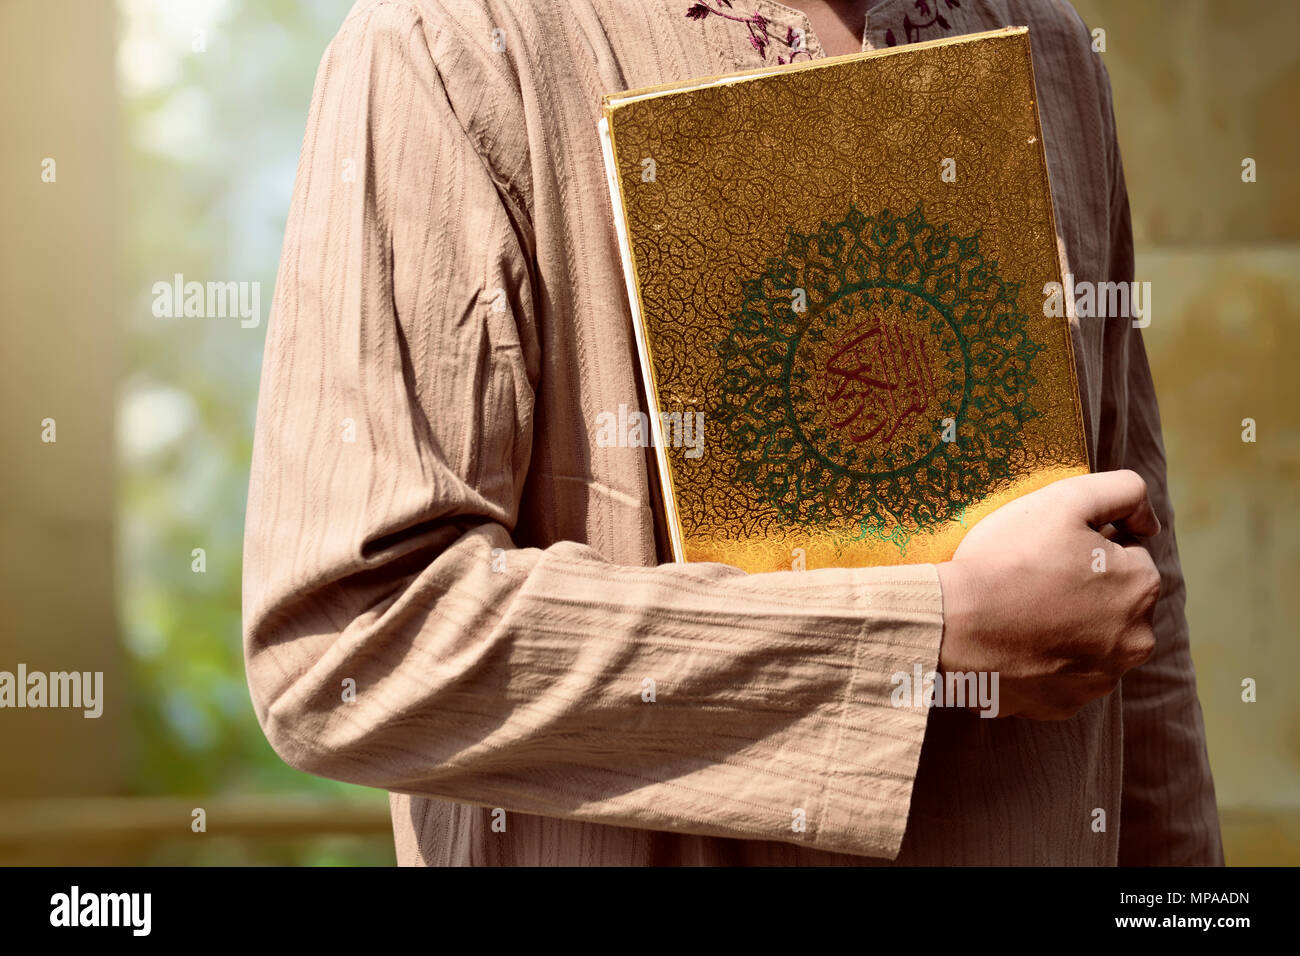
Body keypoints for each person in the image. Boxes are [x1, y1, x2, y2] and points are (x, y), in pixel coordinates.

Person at [242, 0, 1222, 865]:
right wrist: (926, 636)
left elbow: (1141, 597)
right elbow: (347, 647)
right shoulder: (450, 46)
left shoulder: (1045, 45)